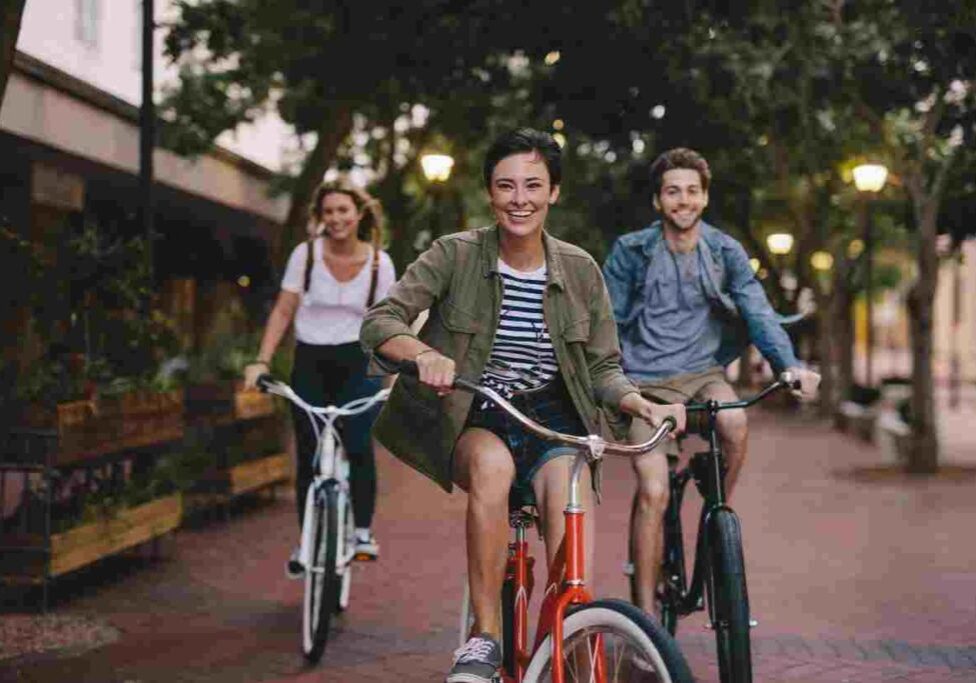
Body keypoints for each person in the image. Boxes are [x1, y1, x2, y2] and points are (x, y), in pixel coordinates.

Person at [360, 128, 686, 683]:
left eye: (534, 185)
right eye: (506, 185)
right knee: (493, 468)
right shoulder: (454, 254)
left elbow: (604, 367)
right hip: (478, 412)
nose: (520, 198)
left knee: (568, 518)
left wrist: (639, 402)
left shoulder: (580, 270)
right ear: (489, 192)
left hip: (554, 419)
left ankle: (567, 636)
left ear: (554, 192)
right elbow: (380, 323)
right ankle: (484, 638)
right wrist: (422, 355)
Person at [602, 147, 821, 615]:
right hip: (644, 385)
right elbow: (608, 324)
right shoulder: (631, 251)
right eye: (672, 192)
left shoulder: (724, 251)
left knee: (737, 423)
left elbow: (758, 312)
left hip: (703, 374)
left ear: (705, 197)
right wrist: (609, 383)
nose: (683, 200)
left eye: (692, 191)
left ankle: (714, 514)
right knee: (654, 492)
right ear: (658, 201)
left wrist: (789, 365)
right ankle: (644, 620)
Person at [244, 180, 396, 575]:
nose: (336, 219)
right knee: (309, 453)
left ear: (359, 214)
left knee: (359, 442)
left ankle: (362, 531)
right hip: (310, 361)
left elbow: (390, 324)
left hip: (359, 360)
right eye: (328, 212)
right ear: (320, 217)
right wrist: (261, 360)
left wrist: (394, 377)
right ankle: (307, 540)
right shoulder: (305, 255)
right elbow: (283, 310)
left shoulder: (380, 262)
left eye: (343, 210)